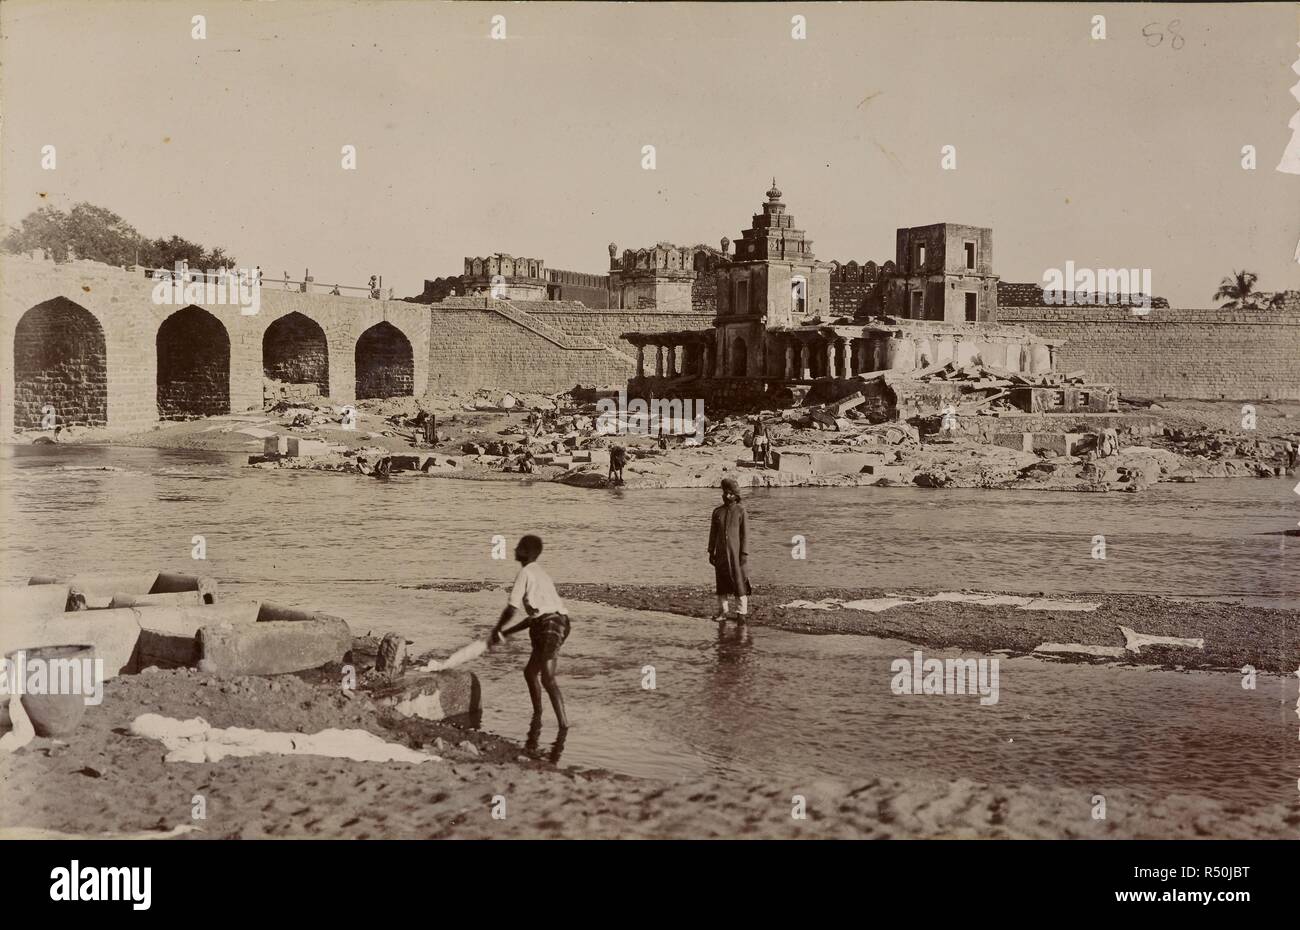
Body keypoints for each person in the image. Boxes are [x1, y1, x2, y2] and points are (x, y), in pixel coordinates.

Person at [488, 535, 570, 729]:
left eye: (517, 547)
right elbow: (535, 617)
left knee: (547, 679)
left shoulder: (525, 573)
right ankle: (538, 716)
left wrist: (497, 628)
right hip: (553, 624)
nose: (514, 550)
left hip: (550, 626)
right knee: (530, 672)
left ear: (525, 552)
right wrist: (506, 633)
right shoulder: (541, 574)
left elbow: (511, 609)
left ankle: (564, 726)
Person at [708, 477, 752, 621]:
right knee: (721, 585)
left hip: (736, 555)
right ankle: (723, 612)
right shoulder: (717, 512)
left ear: (736, 495)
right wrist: (710, 551)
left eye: (730, 493)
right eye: (725, 493)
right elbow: (713, 534)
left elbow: (745, 534)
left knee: (739, 583)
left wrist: (744, 553)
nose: (727, 496)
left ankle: (741, 613)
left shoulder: (741, 511)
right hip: (720, 555)